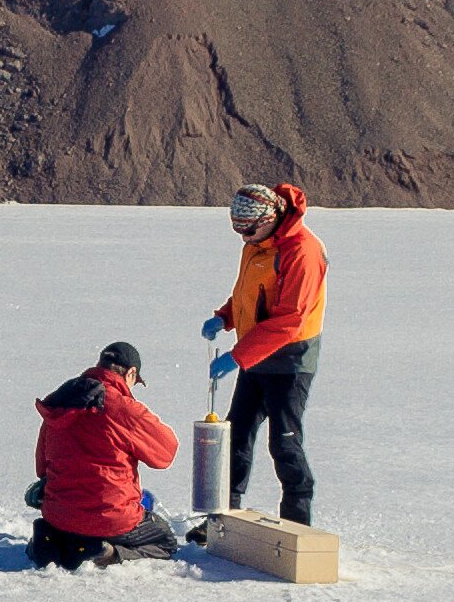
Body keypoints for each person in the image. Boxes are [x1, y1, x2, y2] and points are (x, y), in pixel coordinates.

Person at [201, 183, 327, 524]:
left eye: (248, 230)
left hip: (290, 359)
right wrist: (225, 317)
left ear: (270, 219)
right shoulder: (259, 243)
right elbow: (250, 294)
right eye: (237, 230)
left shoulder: (303, 251)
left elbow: (291, 318)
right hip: (256, 352)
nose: (243, 238)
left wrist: (238, 356)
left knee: (284, 442)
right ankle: (222, 514)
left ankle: (297, 524)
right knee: (236, 432)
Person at [27, 341, 183, 568]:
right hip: (113, 518)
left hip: (59, 514)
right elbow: (166, 453)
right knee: (166, 539)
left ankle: (48, 540)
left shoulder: (62, 400)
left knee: (69, 521)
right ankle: (108, 552)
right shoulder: (124, 408)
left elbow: (42, 468)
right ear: (131, 373)